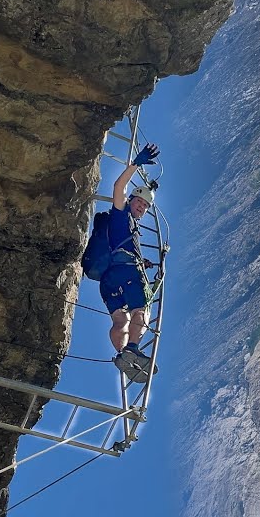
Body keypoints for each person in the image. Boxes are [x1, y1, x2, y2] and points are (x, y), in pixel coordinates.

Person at [103, 143, 161, 381]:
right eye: (139, 202)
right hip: (126, 272)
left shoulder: (126, 228)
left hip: (109, 278)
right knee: (141, 311)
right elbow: (119, 186)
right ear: (131, 200)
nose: (142, 207)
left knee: (121, 319)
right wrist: (136, 163)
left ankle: (122, 354)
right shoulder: (121, 213)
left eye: (146, 206)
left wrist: (142, 261)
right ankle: (132, 349)